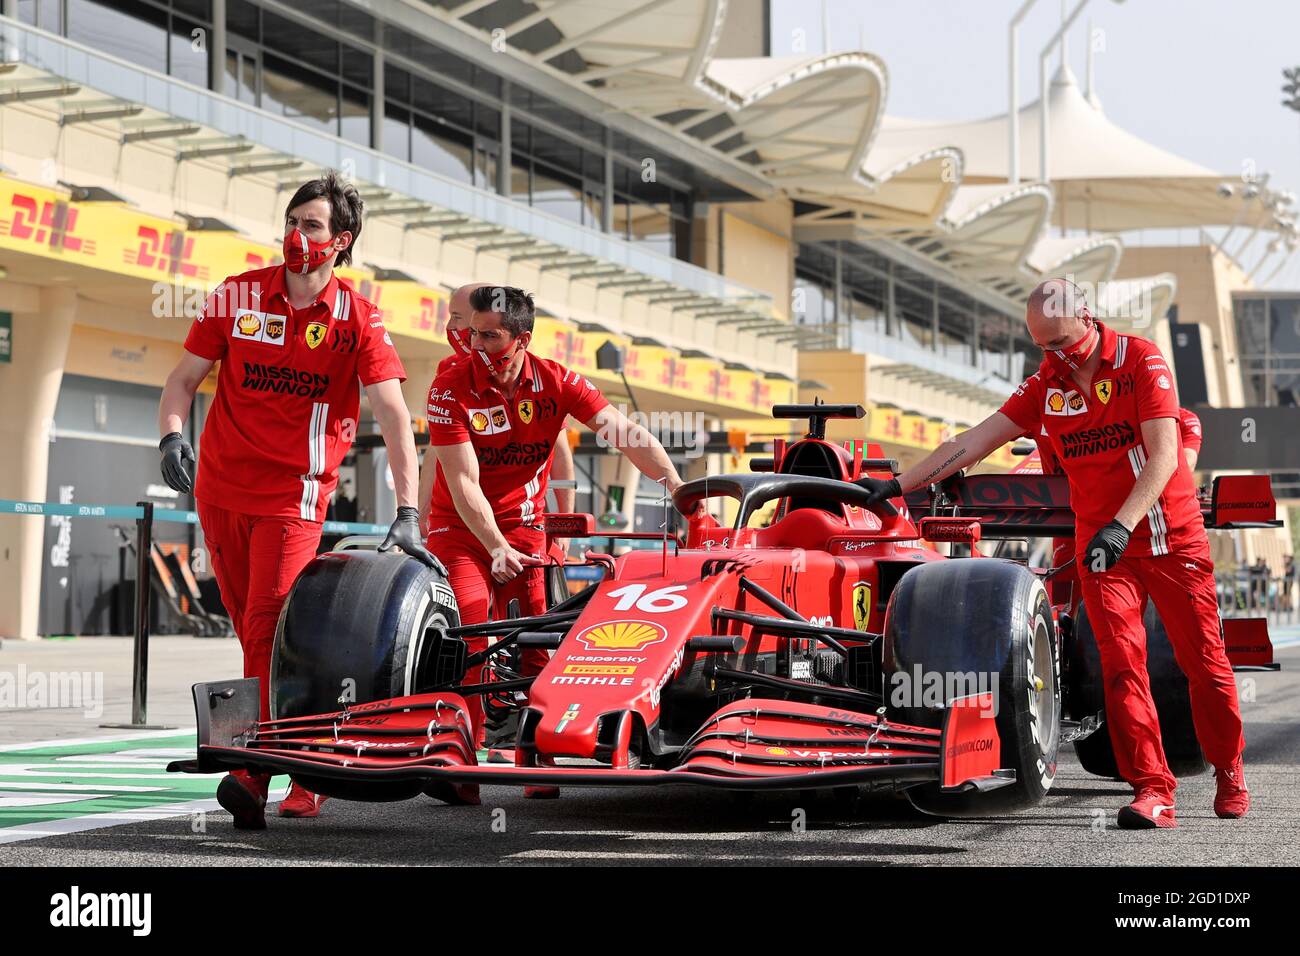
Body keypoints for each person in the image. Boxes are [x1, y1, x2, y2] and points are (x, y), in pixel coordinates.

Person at [854, 278, 1247, 830]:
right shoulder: (1046, 384)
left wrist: (1122, 523)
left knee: (1204, 665)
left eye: (1063, 343)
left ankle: (1230, 771)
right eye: (1044, 347)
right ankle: (1153, 790)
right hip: (1103, 548)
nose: (1057, 356)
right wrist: (900, 484)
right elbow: (976, 439)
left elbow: (1163, 458)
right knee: (1121, 669)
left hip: (1169, 540)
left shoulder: (1142, 360)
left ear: (1089, 319)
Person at [157, 173, 439, 829]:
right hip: (219, 493)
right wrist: (172, 437)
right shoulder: (237, 295)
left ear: (340, 242)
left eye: (312, 225)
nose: (296, 235)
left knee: (264, 627)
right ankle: (308, 768)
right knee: (254, 633)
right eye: (291, 220)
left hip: (293, 498)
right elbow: (181, 381)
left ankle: (251, 772)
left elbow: (396, 418)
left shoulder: (359, 318)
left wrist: (408, 510)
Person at [422, 284, 684, 801]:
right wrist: (495, 544)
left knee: (539, 643)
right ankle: (464, 762)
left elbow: (625, 434)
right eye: (472, 333)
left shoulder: (558, 381)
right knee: (475, 633)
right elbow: (462, 480)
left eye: (490, 336)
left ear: (523, 338)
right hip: (460, 528)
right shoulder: (449, 383)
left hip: (527, 530)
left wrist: (676, 485)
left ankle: (535, 757)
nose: (477, 345)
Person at [420, 282, 577, 531]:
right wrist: (421, 515)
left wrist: (565, 525)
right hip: (459, 523)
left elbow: (560, 453)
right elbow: (436, 452)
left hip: (519, 522)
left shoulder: (536, 377)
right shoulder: (448, 373)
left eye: (456, 317)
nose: (449, 327)